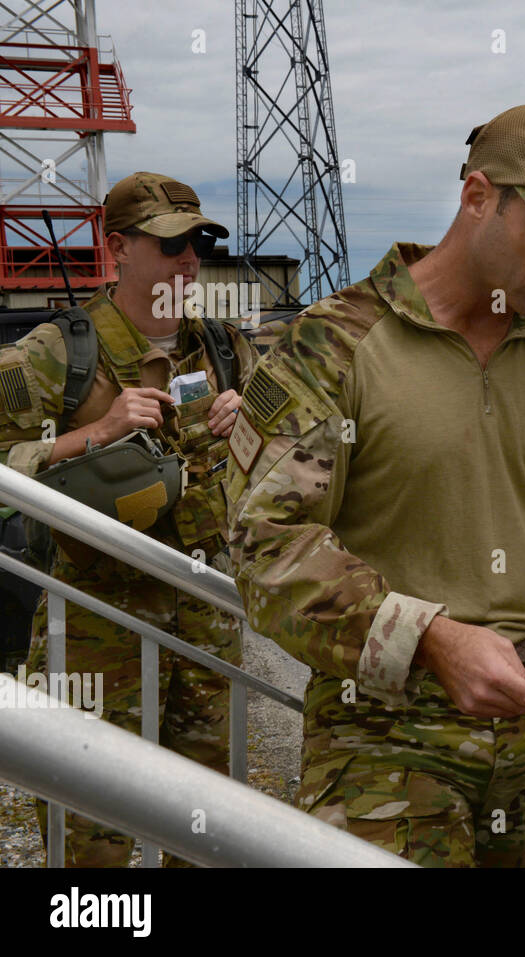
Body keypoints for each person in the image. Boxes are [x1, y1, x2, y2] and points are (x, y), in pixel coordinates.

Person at [224, 102, 525, 867]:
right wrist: (427, 638)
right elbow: (267, 547)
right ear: (476, 197)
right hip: (386, 732)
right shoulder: (332, 345)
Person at [1, 171, 253, 866]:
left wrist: (249, 429)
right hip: (96, 620)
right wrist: (96, 433)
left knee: (207, 813)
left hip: (205, 615)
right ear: (118, 250)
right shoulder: (56, 353)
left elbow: (295, 459)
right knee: (92, 817)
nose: (189, 259)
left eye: (198, 243)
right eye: (171, 244)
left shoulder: (225, 346)